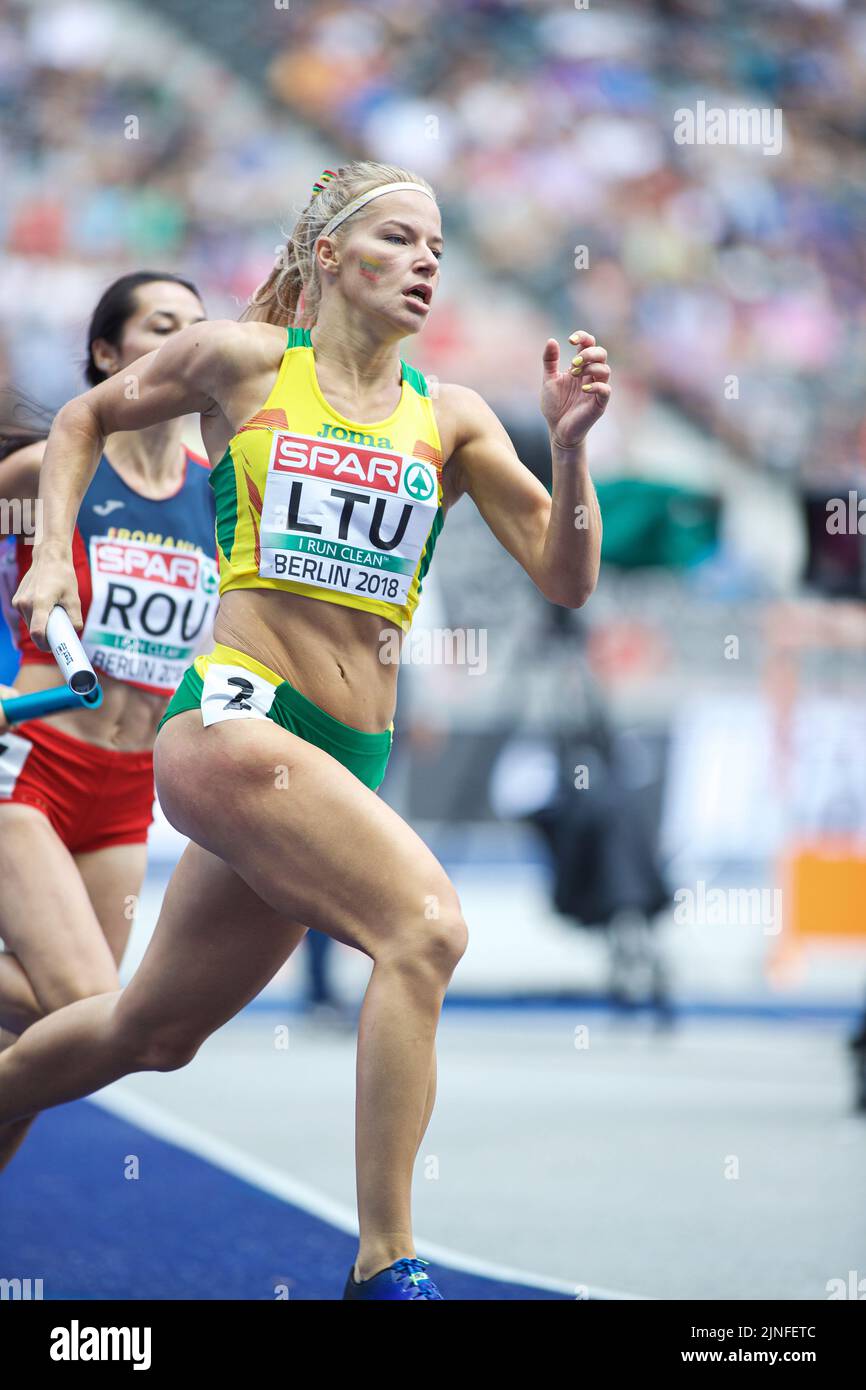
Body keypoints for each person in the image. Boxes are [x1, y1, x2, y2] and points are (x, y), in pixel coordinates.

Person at [1, 161, 608, 1301]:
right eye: (399, 238)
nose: (427, 260)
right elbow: (83, 417)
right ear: (329, 255)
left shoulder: (457, 417)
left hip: (342, 759)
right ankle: (386, 1262)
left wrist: (567, 448)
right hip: (231, 724)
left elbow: (566, 577)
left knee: (146, 1028)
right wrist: (47, 563)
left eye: (438, 245)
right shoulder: (242, 360)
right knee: (422, 930)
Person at [0, 272, 217, 1168]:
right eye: (163, 326)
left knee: (55, 1048)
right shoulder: (47, 470)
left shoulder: (222, 491)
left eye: (200, 328)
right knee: (95, 1009)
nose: (187, 343)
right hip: (31, 765)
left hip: (128, 790)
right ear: (106, 353)